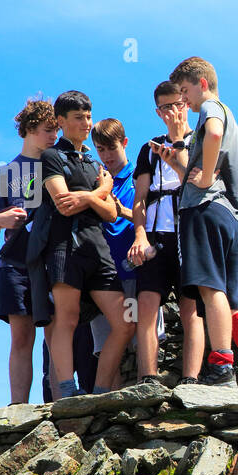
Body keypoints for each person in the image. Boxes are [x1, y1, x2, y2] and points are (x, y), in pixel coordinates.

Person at [25, 90, 133, 398]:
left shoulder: (91, 160)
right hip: (63, 246)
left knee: (124, 322)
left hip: (96, 247)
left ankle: (100, 390)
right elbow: (63, 204)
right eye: (79, 118)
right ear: (61, 121)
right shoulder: (50, 157)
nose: (87, 123)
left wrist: (89, 195)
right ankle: (68, 390)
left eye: (89, 116)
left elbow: (112, 213)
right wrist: (101, 191)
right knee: (67, 318)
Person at [168, 57, 238, 388]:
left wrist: (207, 174)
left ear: (203, 83)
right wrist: (182, 155)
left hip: (206, 210)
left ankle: (222, 364)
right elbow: (200, 170)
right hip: (229, 216)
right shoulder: (226, 113)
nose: (184, 99)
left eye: (185, 90)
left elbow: (212, 135)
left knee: (210, 289)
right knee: (231, 297)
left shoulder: (212, 109)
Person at [128, 81, 204, 385]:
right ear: (158, 112)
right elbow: (140, 198)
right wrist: (140, 235)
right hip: (158, 234)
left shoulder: (202, 139)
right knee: (147, 302)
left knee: (191, 307)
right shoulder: (149, 149)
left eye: (178, 104)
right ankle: (147, 376)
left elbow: (199, 182)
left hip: (190, 232)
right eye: (166, 107)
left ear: (186, 103)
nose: (173, 111)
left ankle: (191, 379)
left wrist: (178, 141)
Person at [0, 96, 57, 404]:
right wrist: (0, 219)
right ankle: (18, 407)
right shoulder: (5, 173)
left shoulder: (58, 165)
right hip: (14, 263)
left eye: (56, 130)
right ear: (28, 129)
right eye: (47, 129)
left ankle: (58, 401)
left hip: (52, 262)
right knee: (22, 337)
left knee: (56, 335)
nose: (54, 136)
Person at [89, 118, 140, 391]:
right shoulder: (96, 179)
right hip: (103, 275)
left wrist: (121, 211)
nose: (106, 155)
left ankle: (146, 394)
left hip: (134, 271)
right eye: (100, 149)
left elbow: (150, 221)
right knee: (107, 340)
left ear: (125, 143)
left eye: (112, 148)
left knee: (139, 336)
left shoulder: (141, 175)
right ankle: (106, 402)